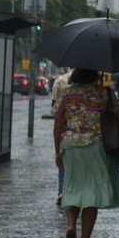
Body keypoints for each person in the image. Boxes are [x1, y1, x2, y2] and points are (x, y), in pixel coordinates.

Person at [53, 68, 119, 238]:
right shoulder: (104, 93)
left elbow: (58, 123)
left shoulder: (67, 94)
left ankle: (70, 226)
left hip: (71, 146)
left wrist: (57, 151)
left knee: (72, 189)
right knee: (92, 196)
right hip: (96, 146)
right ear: (94, 75)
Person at [49, 69, 73, 205]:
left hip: (65, 130)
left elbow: (54, 107)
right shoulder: (93, 82)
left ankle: (62, 190)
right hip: (88, 135)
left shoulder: (60, 81)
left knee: (63, 157)